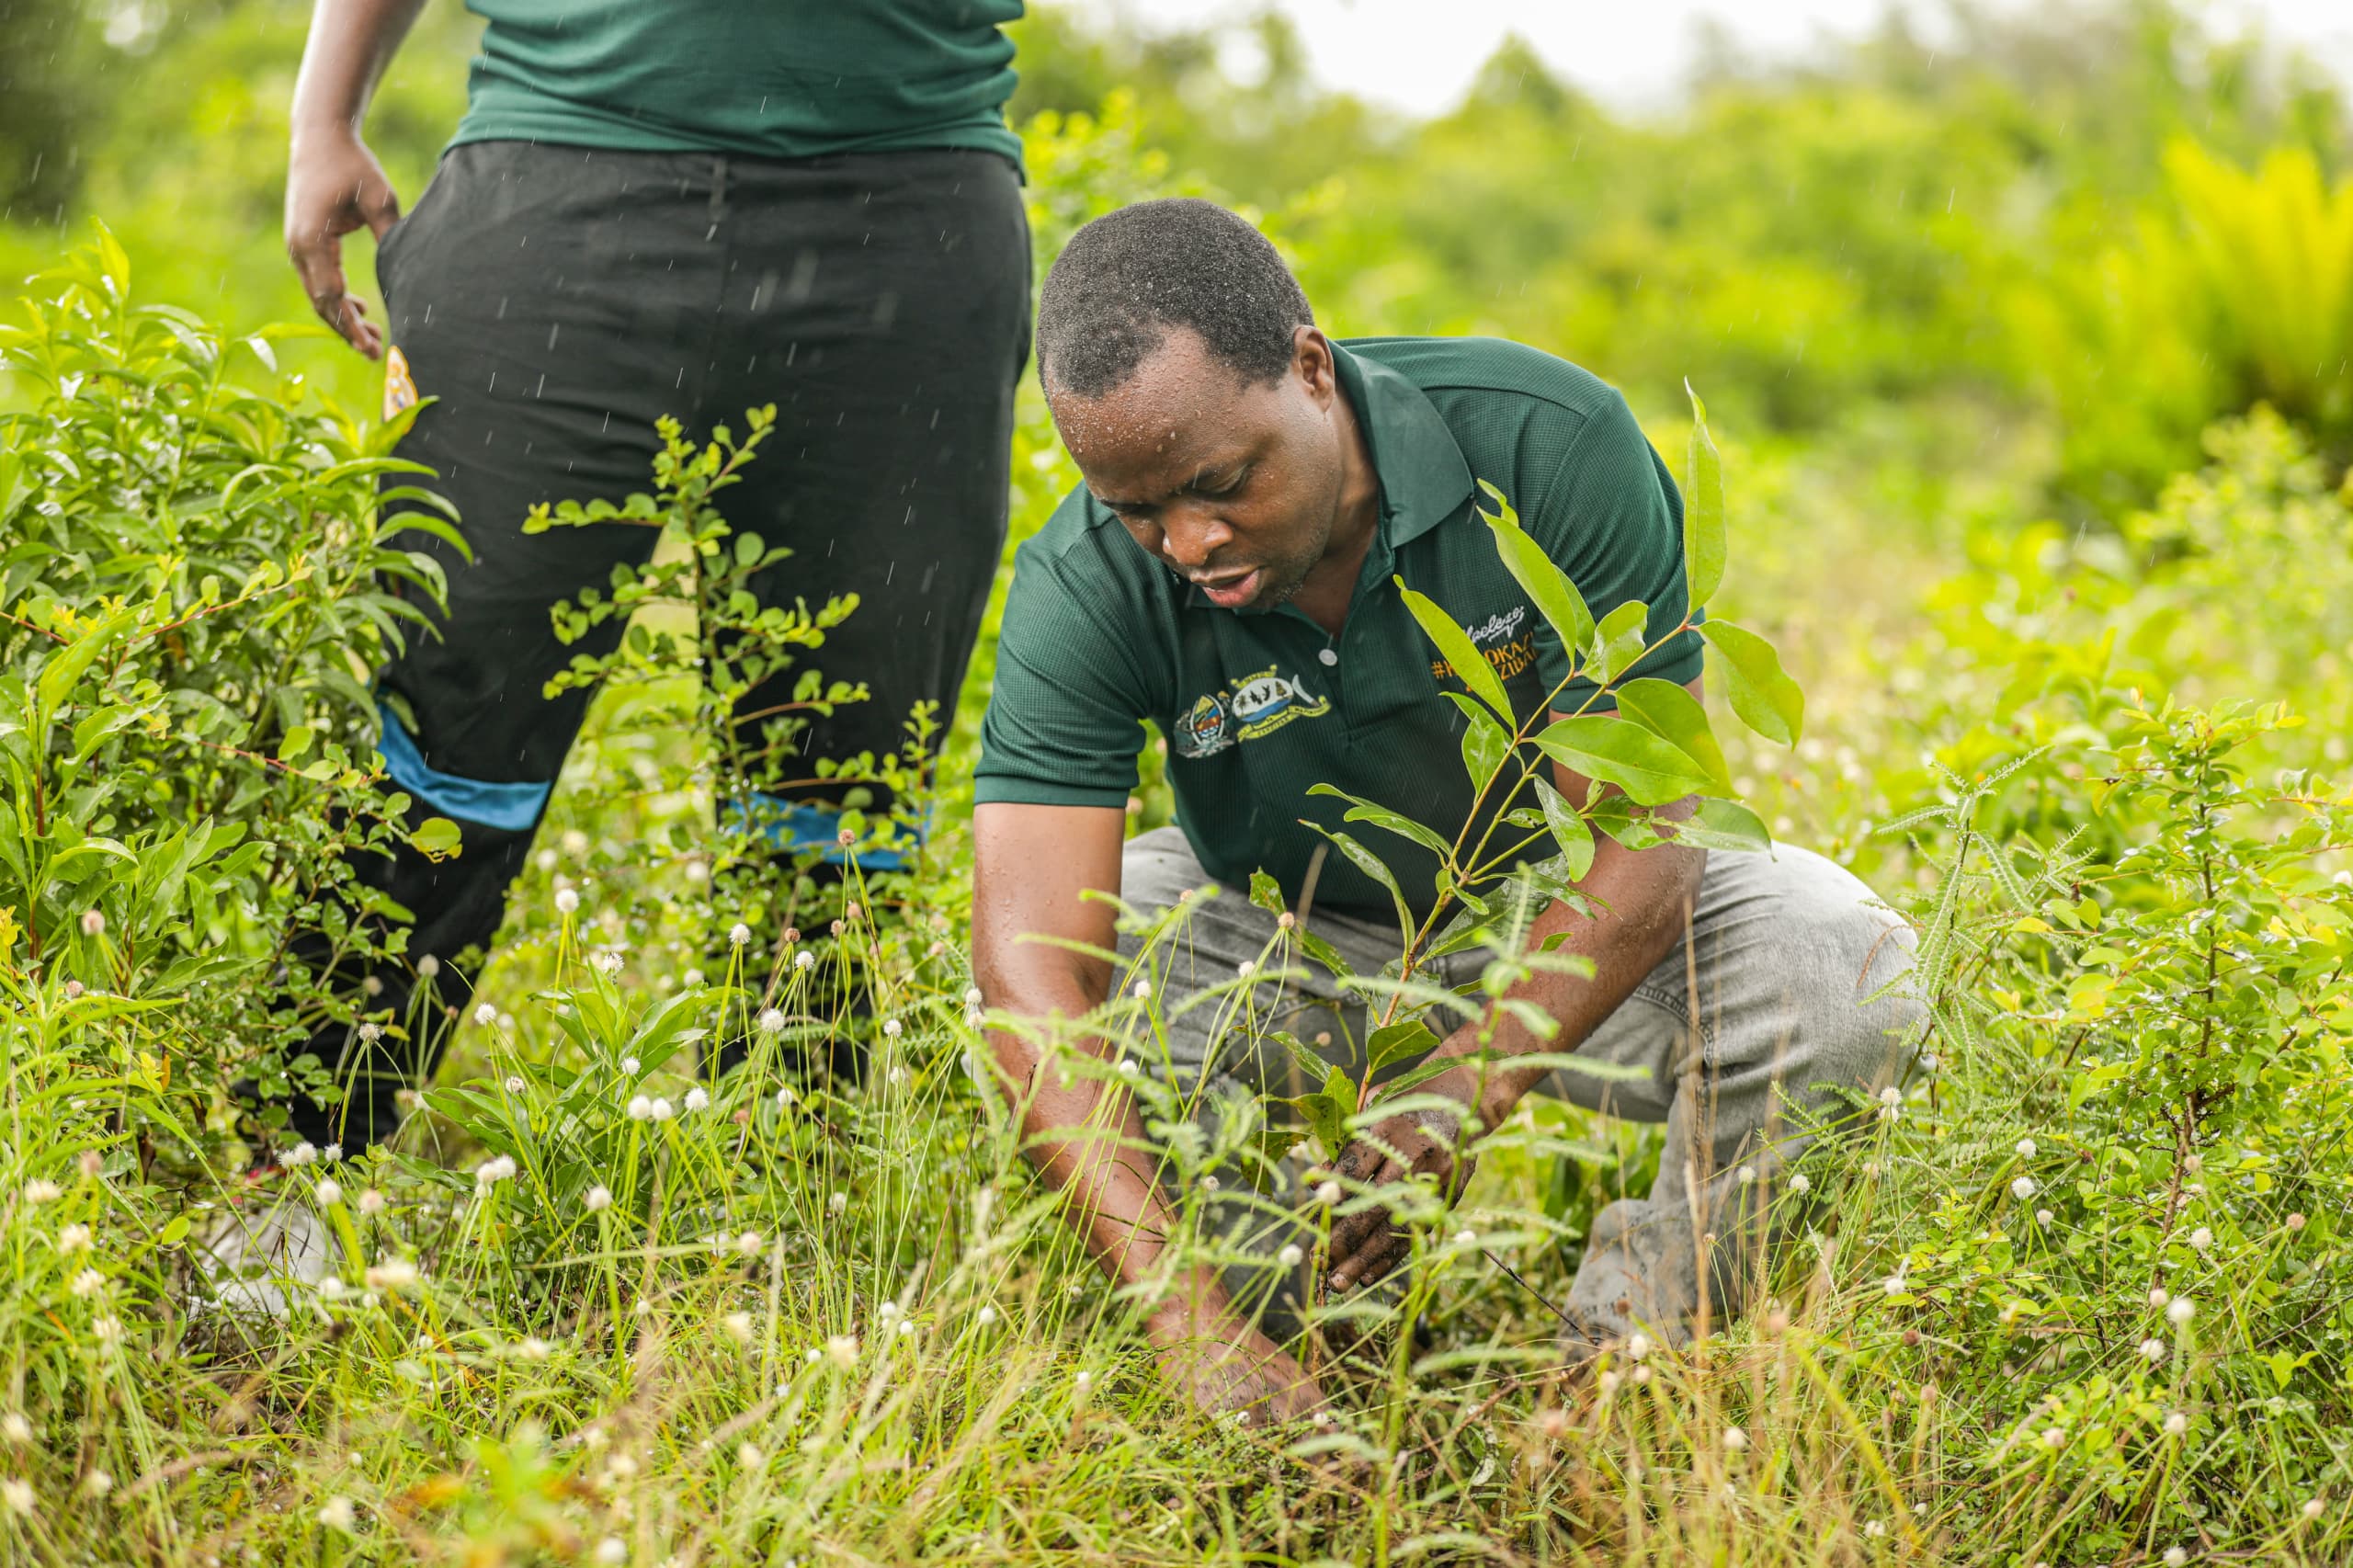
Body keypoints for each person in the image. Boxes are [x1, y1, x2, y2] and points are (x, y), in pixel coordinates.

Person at [970, 198, 1923, 1419]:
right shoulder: (1088, 582)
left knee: (1851, 972)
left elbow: (1652, 835)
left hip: (1564, 903)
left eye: (1220, 484)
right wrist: (1183, 1316)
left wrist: (1461, 1085)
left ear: (1312, 370)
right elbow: (1031, 979)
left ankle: (1626, 1385)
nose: (1188, 541)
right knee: (1075, 990)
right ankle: (1285, 1370)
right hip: (1293, 928)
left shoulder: (1544, 445)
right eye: (1138, 510)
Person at [205, 0, 1032, 1309]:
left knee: (846, 764)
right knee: (446, 713)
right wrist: (324, 115)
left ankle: (786, 1205)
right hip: (558, 185)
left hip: (912, 210)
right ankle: (293, 1172)